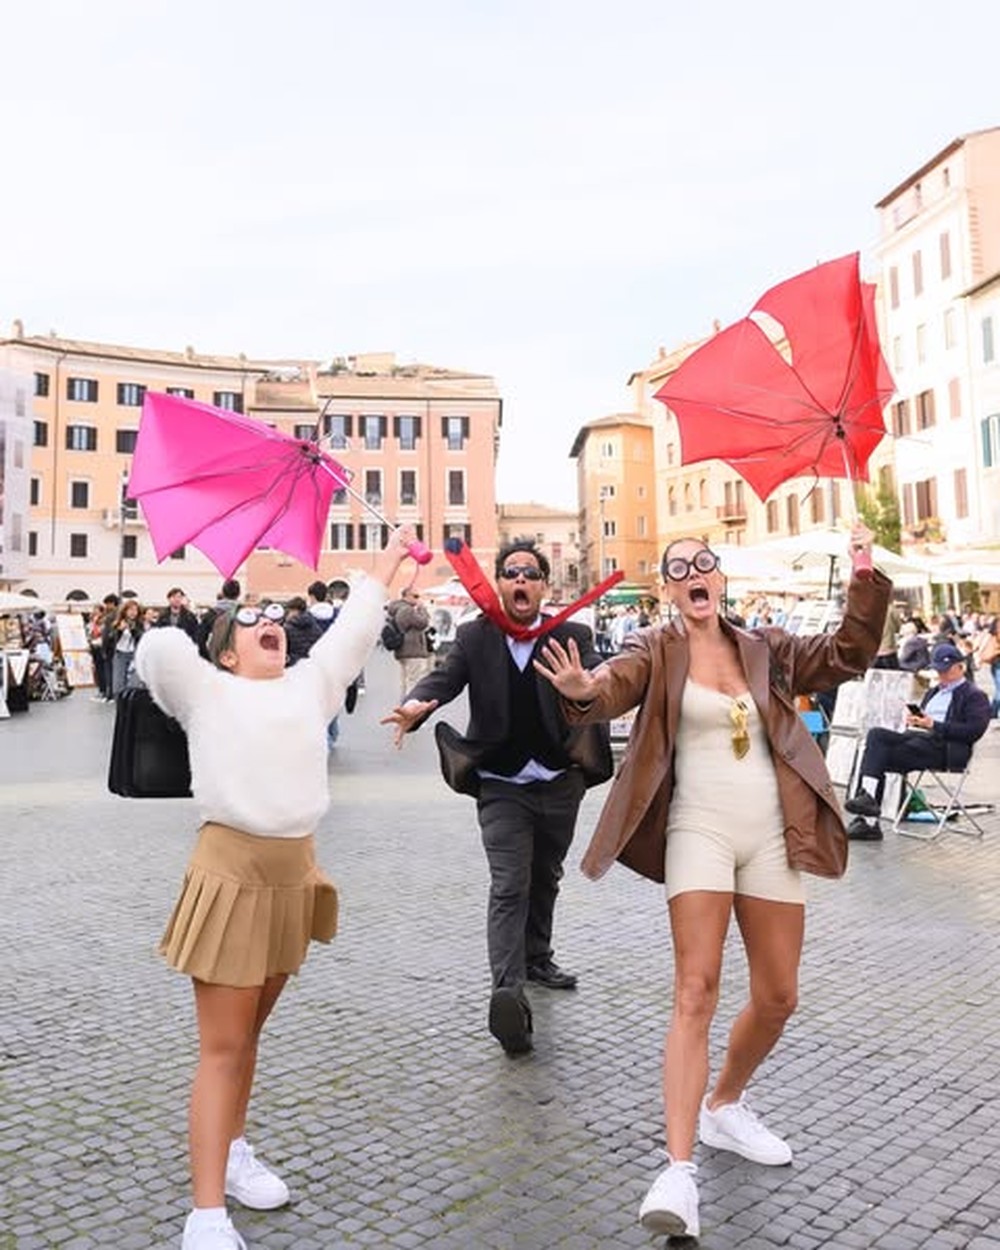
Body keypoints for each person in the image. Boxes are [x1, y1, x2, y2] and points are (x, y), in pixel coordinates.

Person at [532, 525, 889, 1239]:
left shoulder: (767, 648)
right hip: (699, 829)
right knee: (695, 989)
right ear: (669, 587)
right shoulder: (656, 648)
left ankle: (724, 1104)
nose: (694, 573)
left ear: (718, 579)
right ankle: (677, 1170)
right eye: (679, 567)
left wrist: (862, 571)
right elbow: (614, 684)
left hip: (771, 833)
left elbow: (849, 653)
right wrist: (583, 692)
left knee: (780, 994)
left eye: (705, 563)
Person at [134, 526, 416, 1250]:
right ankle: (205, 1215)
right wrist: (216, 603)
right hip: (230, 868)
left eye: (277, 621)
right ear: (226, 648)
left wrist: (389, 559)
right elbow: (159, 655)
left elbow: (357, 624)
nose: (273, 626)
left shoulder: (311, 686)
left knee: (249, 1038)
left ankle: (230, 1152)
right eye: (253, 621)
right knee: (222, 1048)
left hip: (294, 872)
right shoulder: (206, 691)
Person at [381, 540, 613, 1057]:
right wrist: (412, 706)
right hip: (501, 783)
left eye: (531, 574)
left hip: (558, 779)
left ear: (544, 586)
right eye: (511, 573)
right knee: (510, 884)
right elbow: (444, 678)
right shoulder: (475, 636)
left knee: (545, 875)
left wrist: (586, 685)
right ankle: (508, 995)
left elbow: (600, 677)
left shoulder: (571, 634)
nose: (521, 581)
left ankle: (537, 957)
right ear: (501, 584)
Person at [844, 641, 992, 840]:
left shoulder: (974, 695)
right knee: (876, 738)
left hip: (944, 748)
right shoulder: (934, 691)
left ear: (960, 667)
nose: (942, 676)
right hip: (917, 739)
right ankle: (868, 807)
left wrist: (933, 725)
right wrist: (915, 721)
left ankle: (868, 819)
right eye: (939, 671)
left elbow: (973, 731)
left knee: (878, 755)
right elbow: (923, 724)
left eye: (946, 671)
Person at [385, 585, 433, 698]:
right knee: (413, 680)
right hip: (412, 649)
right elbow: (423, 623)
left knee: (405, 679)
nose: (418, 599)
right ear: (406, 596)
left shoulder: (396, 608)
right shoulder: (407, 610)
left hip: (402, 649)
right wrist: (422, 609)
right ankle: (410, 703)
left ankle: (403, 702)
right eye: (415, 596)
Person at [197, 580, 242, 659]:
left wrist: (209, 658)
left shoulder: (210, 615)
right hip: (237, 660)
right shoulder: (244, 615)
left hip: (215, 659)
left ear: (223, 593)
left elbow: (200, 640)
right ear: (239, 594)